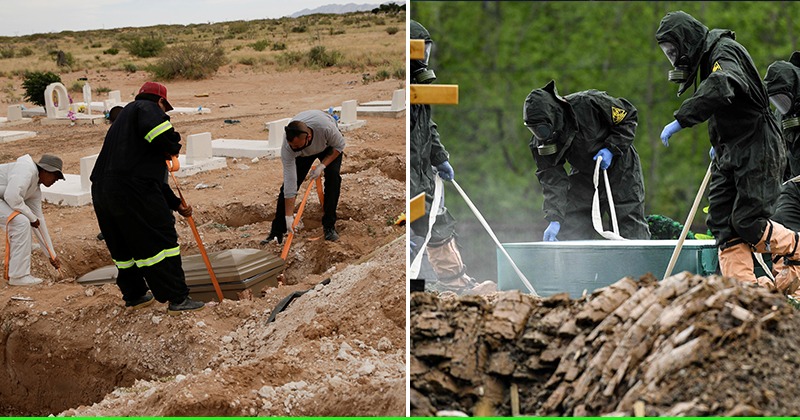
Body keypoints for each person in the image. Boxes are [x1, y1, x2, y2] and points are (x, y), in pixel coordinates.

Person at [655, 11, 796, 293]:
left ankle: (797, 246)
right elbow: (730, 105)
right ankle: (743, 291)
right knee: (721, 221)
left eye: (673, 51)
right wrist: (719, 141)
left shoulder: (724, 50)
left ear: (687, 41)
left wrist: (683, 117)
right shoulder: (709, 59)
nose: (673, 59)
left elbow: (723, 85)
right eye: (667, 53)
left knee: (747, 221)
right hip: (730, 149)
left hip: (758, 148)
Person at [91, 81, 205, 314]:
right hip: (131, 191)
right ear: (161, 101)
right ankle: (178, 298)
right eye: (165, 108)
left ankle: (135, 295)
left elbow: (148, 179)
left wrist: (175, 204)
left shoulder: (121, 125)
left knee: (122, 245)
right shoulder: (146, 108)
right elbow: (166, 140)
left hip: (103, 191)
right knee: (162, 241)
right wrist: (172, 145)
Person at [409, 19, 486, 295]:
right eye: (421, 50)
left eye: (428, 50)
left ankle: (453, 282)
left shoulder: (421, 88)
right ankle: (409, 290)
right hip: (408, 181)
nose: (426, 56)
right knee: (412, 232)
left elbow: (428, 126)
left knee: (438, 222)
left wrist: (439, 156)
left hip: (422, 174)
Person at [523, 80, 651, 242]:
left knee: (628, 226)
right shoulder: (542, 142)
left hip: (621, 168)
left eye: (541, 129)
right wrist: (554, 218)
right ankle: (576, 265)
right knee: (572, 223)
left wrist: (611, 148)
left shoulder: (589, 103)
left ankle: (639, 266)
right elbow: (551, 179)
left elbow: (628, 116)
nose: (539, 134)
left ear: (553, 115)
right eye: (532, 129)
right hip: (584, 174)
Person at [262, 109, 345, 244]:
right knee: (287, 188)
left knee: (333, 179)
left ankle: (329, 227)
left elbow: (340, 145)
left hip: (329, 147)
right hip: (305, 154)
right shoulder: (290, 148)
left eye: (297, 146)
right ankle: (277, 232)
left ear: (308, 137)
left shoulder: (326, 128)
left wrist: (322, 165)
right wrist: (289, 216)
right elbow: (290, 181)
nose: (294, 148)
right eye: (292, 146)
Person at [765, 52, 800, 291]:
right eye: (776, 100)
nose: (781, 105)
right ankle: (790, 285)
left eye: (783, 99)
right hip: (793, 185)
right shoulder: (781, 115)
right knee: (781, 222)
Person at [0, 154, 64, 286]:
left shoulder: (34, 188)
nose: (55, 181)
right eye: (55, 177)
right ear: (46, 171)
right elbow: (12, 197)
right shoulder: (26, 171)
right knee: (21, 222)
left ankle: (24, 247)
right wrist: (32, 218)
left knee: (25, 219)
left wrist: (51, 254)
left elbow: (39, 222)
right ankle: (18, 276)